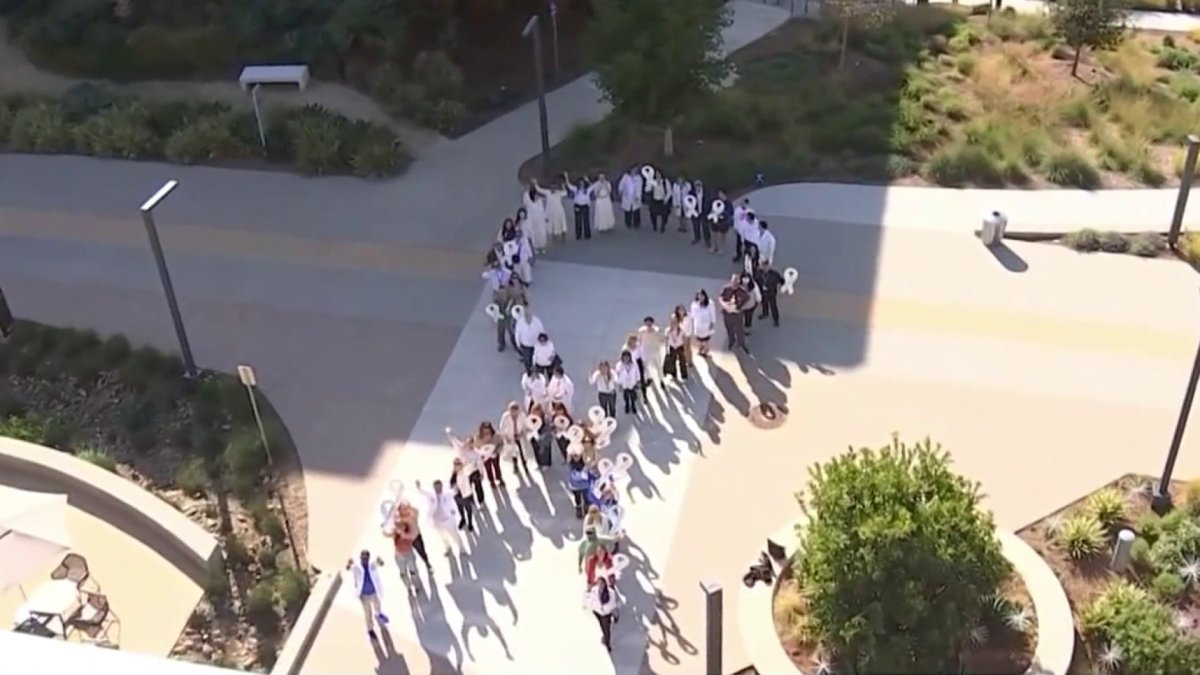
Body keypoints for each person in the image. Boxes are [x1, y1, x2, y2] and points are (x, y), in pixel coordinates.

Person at [347, 549, 388, 639]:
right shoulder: (356, 568)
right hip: (364, 595)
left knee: (377, 605)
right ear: (360, 558)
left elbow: (380, 564)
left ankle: (379, 614)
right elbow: (348, 568)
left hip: (374, 592)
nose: (364, 560)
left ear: (369, 558)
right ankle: (370, 629)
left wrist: (380, 561)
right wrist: (349, 564)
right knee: (367, 612)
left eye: (366, 558)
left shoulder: (372, 565)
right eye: (363, 558)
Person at [414, 479, 463, 554]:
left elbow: (454, 491)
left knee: (454, 535)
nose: (438, 489)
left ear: (442, 486)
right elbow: (422, 492)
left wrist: (457, 486)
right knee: (443, 536)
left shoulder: (447, 493)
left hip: (447, 519)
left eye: (439, 487)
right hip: (437, 521)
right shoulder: (431, 495)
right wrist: (418, 487)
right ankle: (448, 548)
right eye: (436, 487)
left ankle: (462, 549)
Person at [383, 502, 424, 591]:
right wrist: (384, 529)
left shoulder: (409, 532)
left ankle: (416, 586)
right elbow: (387, 534)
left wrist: (401, 532)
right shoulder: (396, 532)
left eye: (400, 525)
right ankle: (408, 587)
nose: (399, 526)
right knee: (403, 573)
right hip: (398, 555)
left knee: (413, 571)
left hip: (409, 553)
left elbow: (412, 535)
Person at [446, 428, 485, 507]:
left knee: (477, 485)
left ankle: (481, 500)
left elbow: (480, 463)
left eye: (471, 444)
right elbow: (455, 441)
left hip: (474, 470)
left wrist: (481, 473)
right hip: (464, 471)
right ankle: (471, 501)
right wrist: (449, 433)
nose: (469, 445)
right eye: (468, 443)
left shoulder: (476, 453)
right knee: (467, 487)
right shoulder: (461, 449)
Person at [586, 576, 620, 652]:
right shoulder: (594, 590)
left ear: (605, 584)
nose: (600, 586)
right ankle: (605, 635)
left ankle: (608, 643)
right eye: (599, 584)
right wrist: (589, 605)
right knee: (601, 625)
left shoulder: (611, 593)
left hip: (606, 614)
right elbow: (591, 599)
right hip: (597, 611)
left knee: (607, 629)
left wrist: (613, 613)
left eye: (602, 584)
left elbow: (613, 604)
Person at [498, 401, 530, 476]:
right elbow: (502, 427)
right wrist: (506, 437)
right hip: (510, 436)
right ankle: (515, 465)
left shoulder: (522, 415)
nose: (514, 413)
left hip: (519, 435)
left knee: (522, 452)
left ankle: (525, 466)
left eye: (515, 411)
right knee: (513, 452)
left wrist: (522, 433)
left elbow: (526, 425)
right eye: (512, 411)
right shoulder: (505, 416)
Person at [720, 275, 749, 352]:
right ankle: (732, 340)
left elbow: (747, 300)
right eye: (733, 283)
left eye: (736, 284)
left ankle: (741, 344)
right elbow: (720, 298)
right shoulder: (726, 289)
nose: (734, 285)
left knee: (739, 330)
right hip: (727, 313)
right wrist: (724, 305)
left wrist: (741, 308)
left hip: (737, 315)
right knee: (729, 329)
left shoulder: (742, 292)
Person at [513, 304, 545, 371]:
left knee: (537, 358)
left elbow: (541, 330)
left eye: (529, 313)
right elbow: (517, 333)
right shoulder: (520, 322)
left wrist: (543, 341)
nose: (528, 315)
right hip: (526, 345)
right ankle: (529, 371)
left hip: (536, 344)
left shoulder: (536, 321)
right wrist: (518, 343)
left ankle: (537, 371)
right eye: (526, 313)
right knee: (527, 359)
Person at [564, 172, 594, 241]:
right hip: (577, 206)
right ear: (578, 184)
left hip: (585, 206)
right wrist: (566, 177)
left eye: (583, 183)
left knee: (586, 221)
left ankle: (587, 235)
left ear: (584, 184)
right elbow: (568, 185)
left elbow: (593, 186)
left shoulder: (587, 190)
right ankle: (578, 235)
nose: (581, 185)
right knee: (578, 221)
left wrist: (588, 180)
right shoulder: (576, 190)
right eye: (580, 184)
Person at [449, 458, 476, 533]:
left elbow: (471, 465)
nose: (457, 466)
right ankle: (463, 519)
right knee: (460, 508)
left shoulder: (465, 472)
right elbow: (451, 483)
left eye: (458, 464)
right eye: (455, 464)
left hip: (465, 495)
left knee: (468, 509)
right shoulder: (453, 473)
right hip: (457, 495)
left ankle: (470, 523)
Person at [522, 182, 549, 254]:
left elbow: (544, 209)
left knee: (542, 233)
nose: (536, 196)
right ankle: (535, 248)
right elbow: (525, 198)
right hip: (531, 220)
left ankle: (542, 247)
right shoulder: (529, 202)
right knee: (533, 233)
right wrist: (527, 189)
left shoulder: (540, 201)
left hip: (540, 220)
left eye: (537, 195)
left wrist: (546, 217)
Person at [637, 317, 663, 392]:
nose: (648, 324)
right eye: (647, 323)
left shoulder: (657, 330)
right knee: (646, 367)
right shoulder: (641, 331)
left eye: (650, 322)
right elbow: (640, 340)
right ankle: (649, 378)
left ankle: (661, 380)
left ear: (652, 323)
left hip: (655, 351)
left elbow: (660, 339)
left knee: (658, 366)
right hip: (646, 352)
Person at [662, 315, 689, 383]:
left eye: (676, 321)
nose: (674, 323)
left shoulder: (682, 329)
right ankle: (674, 374)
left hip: (680, 346)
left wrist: (685, 348)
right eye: (673, 321)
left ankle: (684, 375)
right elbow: (666, 340)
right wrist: (666, 349)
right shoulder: (668, 330)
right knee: (672, 361)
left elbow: (684, 339)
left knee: (682, 361)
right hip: (672, 347)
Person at [690, 290, 717, 357]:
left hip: (706, 324)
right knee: (699, 339)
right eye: (699, 296)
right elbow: (693, 315)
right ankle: (700, 348)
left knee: (706, 339)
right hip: (698, 325)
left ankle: (706, 351)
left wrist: (712, 323)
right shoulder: (694, 304)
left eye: (702, 296)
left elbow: (713, 314)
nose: (701, 297)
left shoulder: (710, 304)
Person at [757, 262, 784, 327]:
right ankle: (765, 313)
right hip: (763, 292)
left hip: (771, 292)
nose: (765, 268)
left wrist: (782, 285)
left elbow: (781, 280)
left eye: (767, 267)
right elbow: (756, 281)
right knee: (764, 303)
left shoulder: (774, 274)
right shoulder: (759, 273)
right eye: (764, 267)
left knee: (773, 305)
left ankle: (776, 319)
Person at [477, 421, 503, 487]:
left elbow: (501, 444)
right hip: (485, 456)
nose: (486, 433)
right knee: (488, 468)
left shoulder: (496, 436)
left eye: (488, 431)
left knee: (496, 466)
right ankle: (491, 481)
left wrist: (497, 451)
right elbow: (476, 447)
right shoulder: (478, 438)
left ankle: (499, 478)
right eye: (484, 432)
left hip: (494, 454)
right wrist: (481, 453)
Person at [566, 453, 593, 518]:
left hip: (584, 485)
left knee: (586, 498)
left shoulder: (585, 462)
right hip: (575, 485)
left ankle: (587, 510)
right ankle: (579, 510)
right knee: (577, 498)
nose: (576, 458)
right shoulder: (571, 464)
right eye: (574, 456)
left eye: (577, 456)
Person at [528, 401, 554, 468]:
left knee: (544, 448)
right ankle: (538, 463)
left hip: (544, 435)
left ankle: (546, 463)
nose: (536, 413)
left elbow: (548, 428)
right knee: (535, 449)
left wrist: (542, 436)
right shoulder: (530, 418)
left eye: (538, 411)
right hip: (534, 435)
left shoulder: (545, 419)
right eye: (534, 411)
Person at [513, 209, 535, 285]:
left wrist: (530, 256)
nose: (521, 215)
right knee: (517, 268)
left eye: (523, 214)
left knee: (526, 268)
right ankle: (518, 280)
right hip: (518, 244)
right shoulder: (516, 223)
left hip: (526, 240)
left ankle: (527, 280)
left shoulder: (527, 222)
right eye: (520, 214)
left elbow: (531, 232)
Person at [614, 350, 640, 414]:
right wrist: (619, 383)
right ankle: (627, 405)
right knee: (626, 395)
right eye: (624, 357)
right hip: (624, 384)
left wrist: (638, 380)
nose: (626, 358)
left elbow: (637, 372)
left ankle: (633, 405)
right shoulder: (619, 365)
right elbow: (617, 374)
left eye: (627, 357)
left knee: (633, 396)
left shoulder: (633, 364)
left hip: (632, 383)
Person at [711, 190, 732, 256]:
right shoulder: (716, 201)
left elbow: (729, 213)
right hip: (715, 219)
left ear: (724, 194)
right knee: (714, 233)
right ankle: (714, 246)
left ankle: (721, 248)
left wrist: (722, 212)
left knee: (722, 235)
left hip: (724, 221)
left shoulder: (728, 203)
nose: (719, 195)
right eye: (719, 194)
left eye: (721, 194)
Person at [692, 180, 712, 250]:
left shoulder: (706, 193)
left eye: (699, 185)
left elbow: (709, 202)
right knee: (696, 225)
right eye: (696, 186)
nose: (697, 187)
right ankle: (697, 237)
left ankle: (707, 240)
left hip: (704, 212)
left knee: (705, 227)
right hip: (695, 211)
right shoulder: (692, 193)